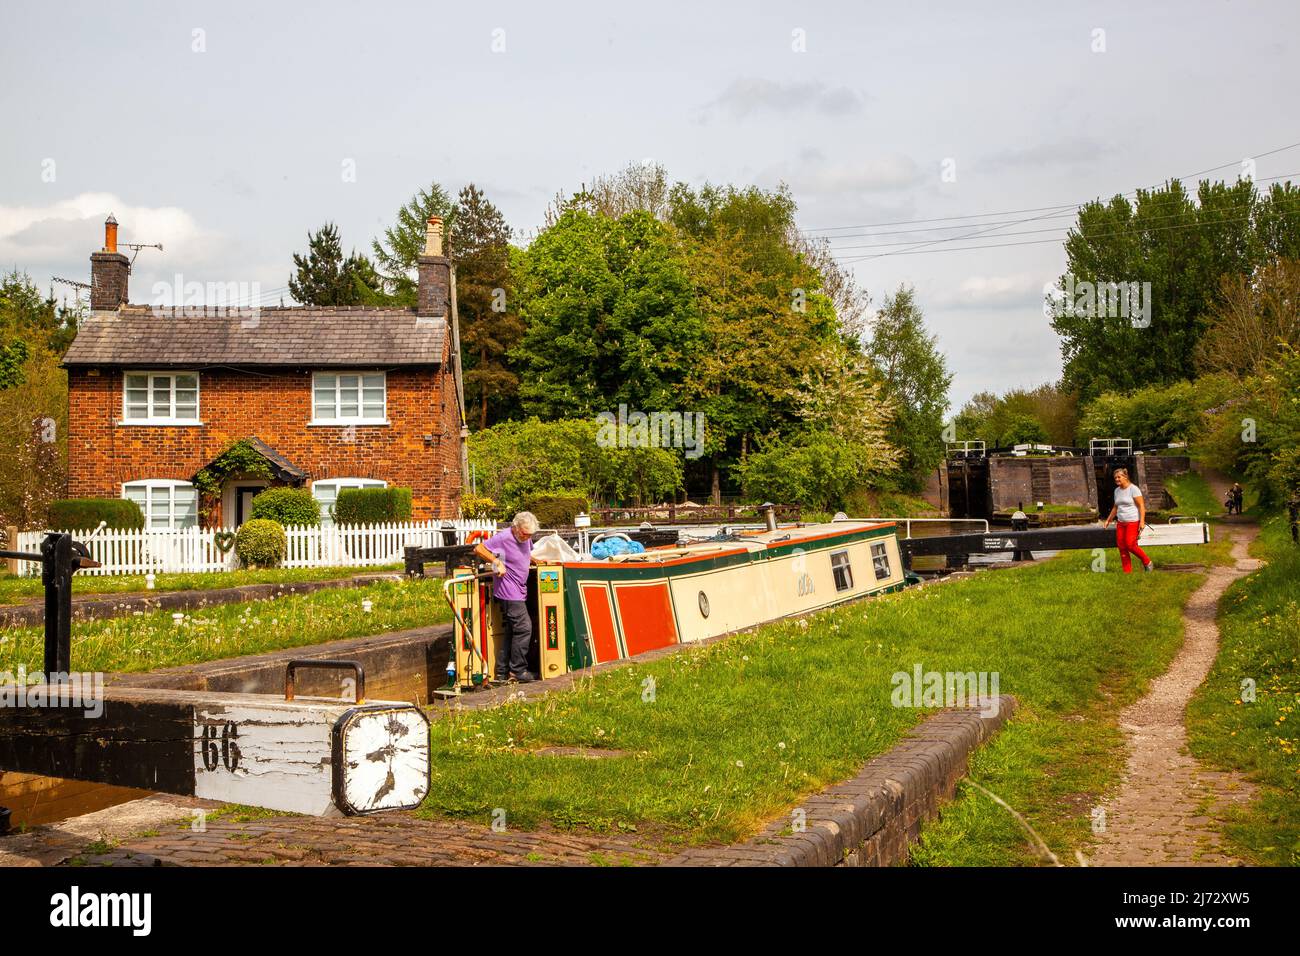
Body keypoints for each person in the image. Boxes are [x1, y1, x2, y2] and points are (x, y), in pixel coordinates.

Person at [472, 511, 541, 683]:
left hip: (519, 588)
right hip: (509, 590)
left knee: (512, 631)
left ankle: (502, 672)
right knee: (524, 627)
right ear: (516, 528)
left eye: (530, 535)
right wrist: (496, 562)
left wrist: (534, 560)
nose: (527, 538)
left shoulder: (526, 537)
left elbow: (524, 553)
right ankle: (518, 671)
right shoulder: (503, 537)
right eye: (525, 534)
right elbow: (479, 548)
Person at [1102, 468, 1152, 573]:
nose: (1117, 479)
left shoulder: (1133, 489)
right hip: (1121, 522)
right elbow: (1115, 507)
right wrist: (1108, 520)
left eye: (1119, 477)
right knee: (1122, 547)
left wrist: (1142, 522)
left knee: (1130, 545)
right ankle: (1127, 572)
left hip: (1133, 522)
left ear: (1125, 477)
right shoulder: (1117, 491)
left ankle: (1147, 562)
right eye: (1115, 477)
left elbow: (1141, 506)